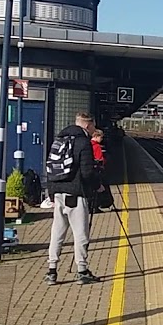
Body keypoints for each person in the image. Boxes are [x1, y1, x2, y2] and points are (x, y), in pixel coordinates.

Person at [45, 112, 103, 285]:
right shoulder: (83, 142)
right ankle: (82, 270)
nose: (93, 130)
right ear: (87, 125)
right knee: (81, 234)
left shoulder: (59, 139)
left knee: (57, 233)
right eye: (92, 126)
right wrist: (97, 185)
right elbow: (86, 172)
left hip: (58, 193)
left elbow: (50, 167)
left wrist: (51, 193)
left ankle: (52, 271)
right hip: (76, 194)